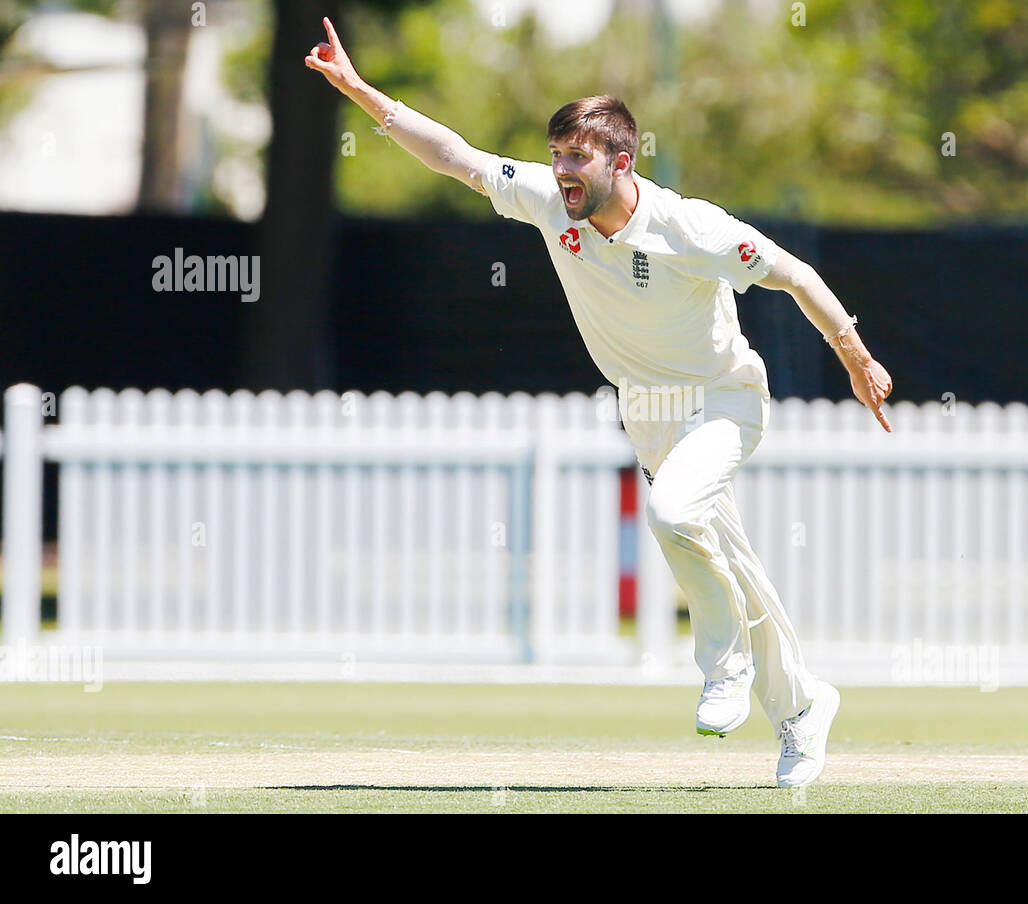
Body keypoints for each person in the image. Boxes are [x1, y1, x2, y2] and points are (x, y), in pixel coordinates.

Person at [305, 17, 893, 787]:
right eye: (555, 157)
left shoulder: (689, 225)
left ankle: (724, 668)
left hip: (723, 399)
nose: (560, 171)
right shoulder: (554, 203)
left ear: (622, 160)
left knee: (675, 515)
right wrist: (359, 91)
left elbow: (795, 275)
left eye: (576, 158)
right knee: (733, 564)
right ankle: (804, 707)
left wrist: (856, 355)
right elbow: (457, 157)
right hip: (645, 408)